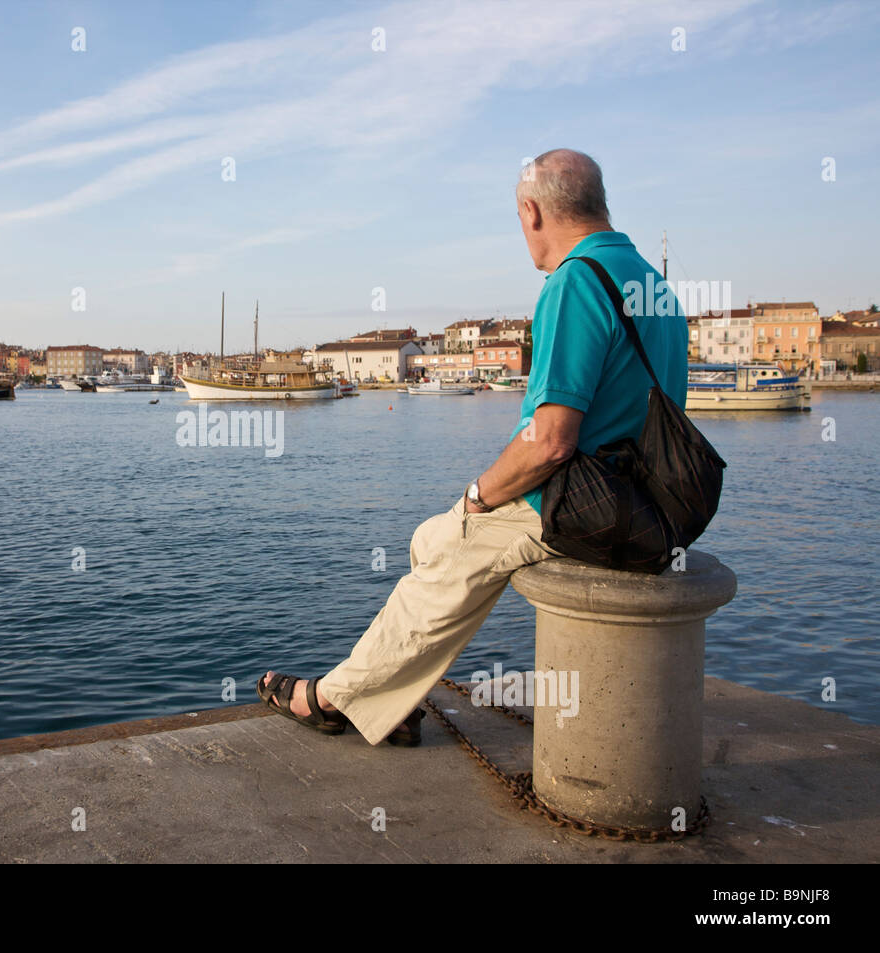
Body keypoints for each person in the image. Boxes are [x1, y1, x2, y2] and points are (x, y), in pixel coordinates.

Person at [259, 149, 689, 746]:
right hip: (648, 504)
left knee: (453, 537)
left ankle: (333, 700)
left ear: (531, 211)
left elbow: (551, 443)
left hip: (583, 504)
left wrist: (478, 496)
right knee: (429, 539)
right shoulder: (651, 281)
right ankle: (395, 698)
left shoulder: (575, 283)